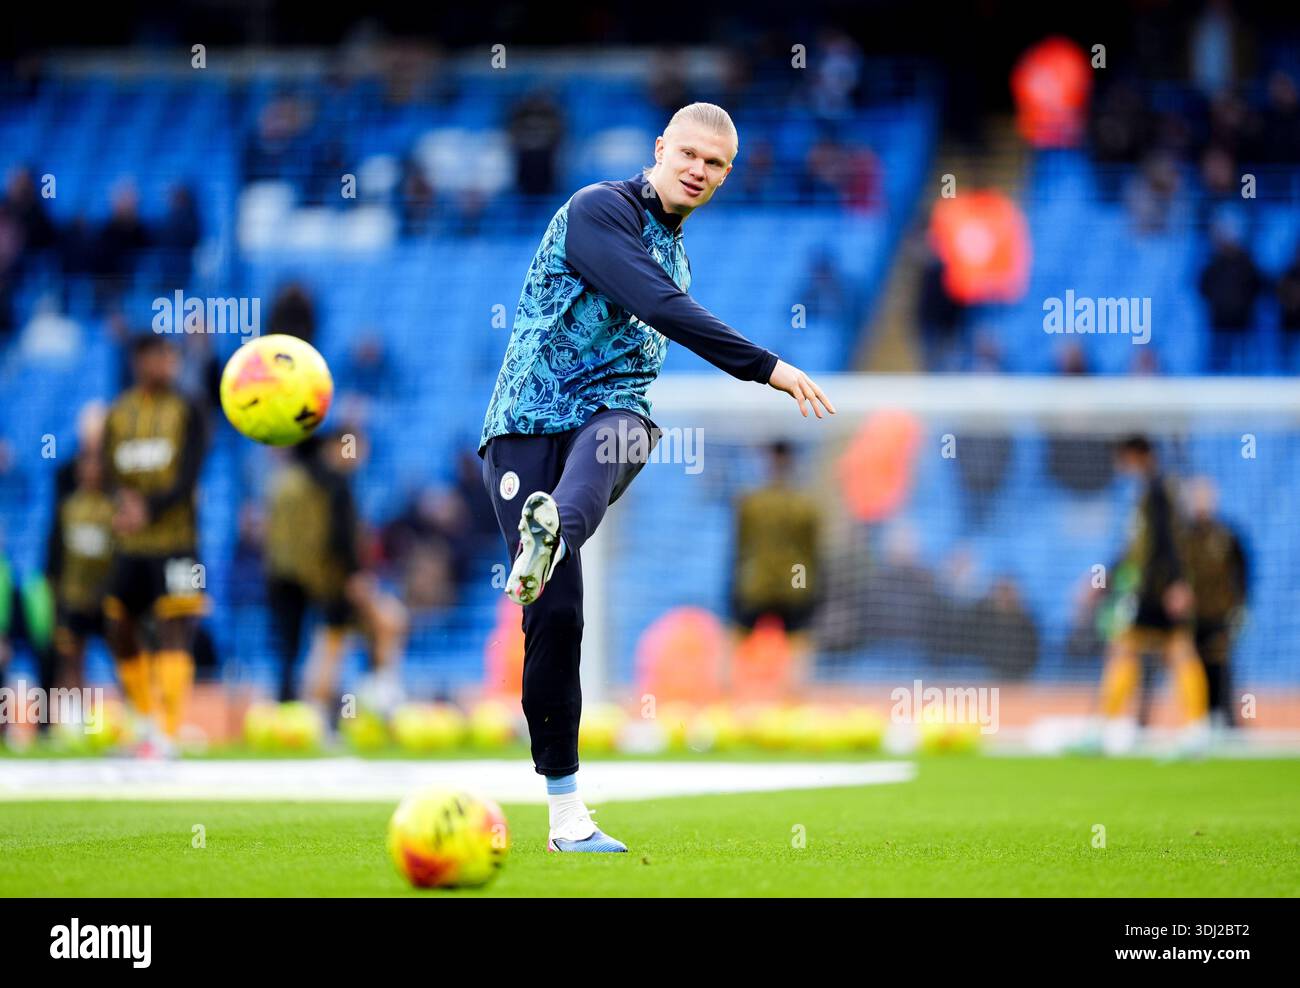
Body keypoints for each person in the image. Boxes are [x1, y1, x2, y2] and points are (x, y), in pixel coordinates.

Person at [478, 102, 835, 853]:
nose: (699, 172)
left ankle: (553, 533)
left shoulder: (677, 252)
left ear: (725, 176)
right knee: (556, 619)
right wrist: (766, 367)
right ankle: (567, 814)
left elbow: (660, 304)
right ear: (660, 148)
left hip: (605, 420)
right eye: (690, 155)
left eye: (715, 165)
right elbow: (656, 307)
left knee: (626, 430)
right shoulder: (597, 211)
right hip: (524, 428)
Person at [101, 334, 208, 755]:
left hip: (178, 540)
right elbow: (108, 473)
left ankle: (169, 728)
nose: (165, 364)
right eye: (156, 357)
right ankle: (144, 720)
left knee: (175, 625)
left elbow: (189, 475)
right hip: (131, 544)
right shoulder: (118, 412)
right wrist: (120, 504)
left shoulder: (189, 409)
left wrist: (150, 507)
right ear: (137, 361)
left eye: (170, 357)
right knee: (117, 624)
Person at [263, 432, 406, 717]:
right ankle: (367, 700)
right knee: (342, 638)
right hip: (334, 580)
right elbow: (339, 536)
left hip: (292, 576)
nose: (359, 457)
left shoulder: (292, 479)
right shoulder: (333, 482)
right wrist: (355, 575)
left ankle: (309, 709)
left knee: (314, 645)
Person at [1091, 436, 1208, 754]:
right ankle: (1196, 728)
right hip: (1158, 585)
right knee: (1173, 650)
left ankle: (1107, 726)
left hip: (1157, 588)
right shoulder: (1155, 489)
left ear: (1138, 455)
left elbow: (1167, 543)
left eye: (1124, 458)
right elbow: (1140, 547)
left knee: (1131, 647)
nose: (1122, 465)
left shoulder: (1157, 490)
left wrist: (1176, 583)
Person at [728, 441, 823, 690]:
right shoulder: (806, 505)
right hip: (794, 584)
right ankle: (796, 703)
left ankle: (733, 698)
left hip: (757, 584)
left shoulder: (750, 503)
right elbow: (811, 551)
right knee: (798, 649)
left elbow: (740, 547)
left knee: (740, 643)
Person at [1180, 477, 1249, 730]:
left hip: (1219, 613)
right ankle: (1198, 721)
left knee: (1219, 665)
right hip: (1190, 616)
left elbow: (1241, 571)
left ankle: (1227, 721)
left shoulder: (1226, 536)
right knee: (1191, 666)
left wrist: (1240, 605)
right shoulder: (1182, 536)